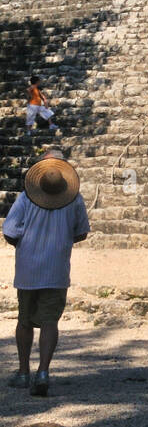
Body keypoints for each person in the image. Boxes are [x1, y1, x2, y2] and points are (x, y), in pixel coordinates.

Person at [4, 156, 90, 395]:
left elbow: (10, 232)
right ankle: (43, 372)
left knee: (24, 321)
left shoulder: (25, 199)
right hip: (56, 269)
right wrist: (61, 239)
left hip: (28, 270)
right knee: (50, 322)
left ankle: (23, 373)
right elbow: (82, 232)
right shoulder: (75, 200)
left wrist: (27, 246)